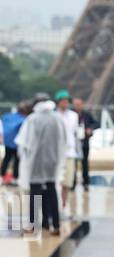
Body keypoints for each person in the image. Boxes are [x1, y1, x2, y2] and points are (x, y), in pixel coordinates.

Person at [16, 92, 65, 234]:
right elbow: (64, 141)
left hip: (36, 161)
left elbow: (24, 142)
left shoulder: (33, 119)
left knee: (35, 193)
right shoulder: (57, 119)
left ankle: (32, 224)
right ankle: (54, 225)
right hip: (52, 161)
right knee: (51, 191)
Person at [54, 90, 78, 218]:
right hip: (56, 153)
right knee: (56, 182)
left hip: (69, 152)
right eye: (63, 100)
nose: (66, 103)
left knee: (67, 183)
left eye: (67, 100)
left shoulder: (74, 115)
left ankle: (63, 207)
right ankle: (55, 207)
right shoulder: (53, 116)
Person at [73, 98, 97, 191]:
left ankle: (86, 182)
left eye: (79, 104)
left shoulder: (87, 115)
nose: (78, 106)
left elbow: (95, 123)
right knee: (73, 164)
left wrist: (90, 129)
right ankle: (73, 183)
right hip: (75, 143)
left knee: (85, 163)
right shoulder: (71, 115)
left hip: (84, 142)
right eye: (76, 104)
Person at [1, 100, 27, 184]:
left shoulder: (8, 116)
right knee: (17, 160)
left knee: (7, 159)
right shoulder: (25, 119)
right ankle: (15, 178)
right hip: (17, 144)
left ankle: (2, 176)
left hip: (7, 141)